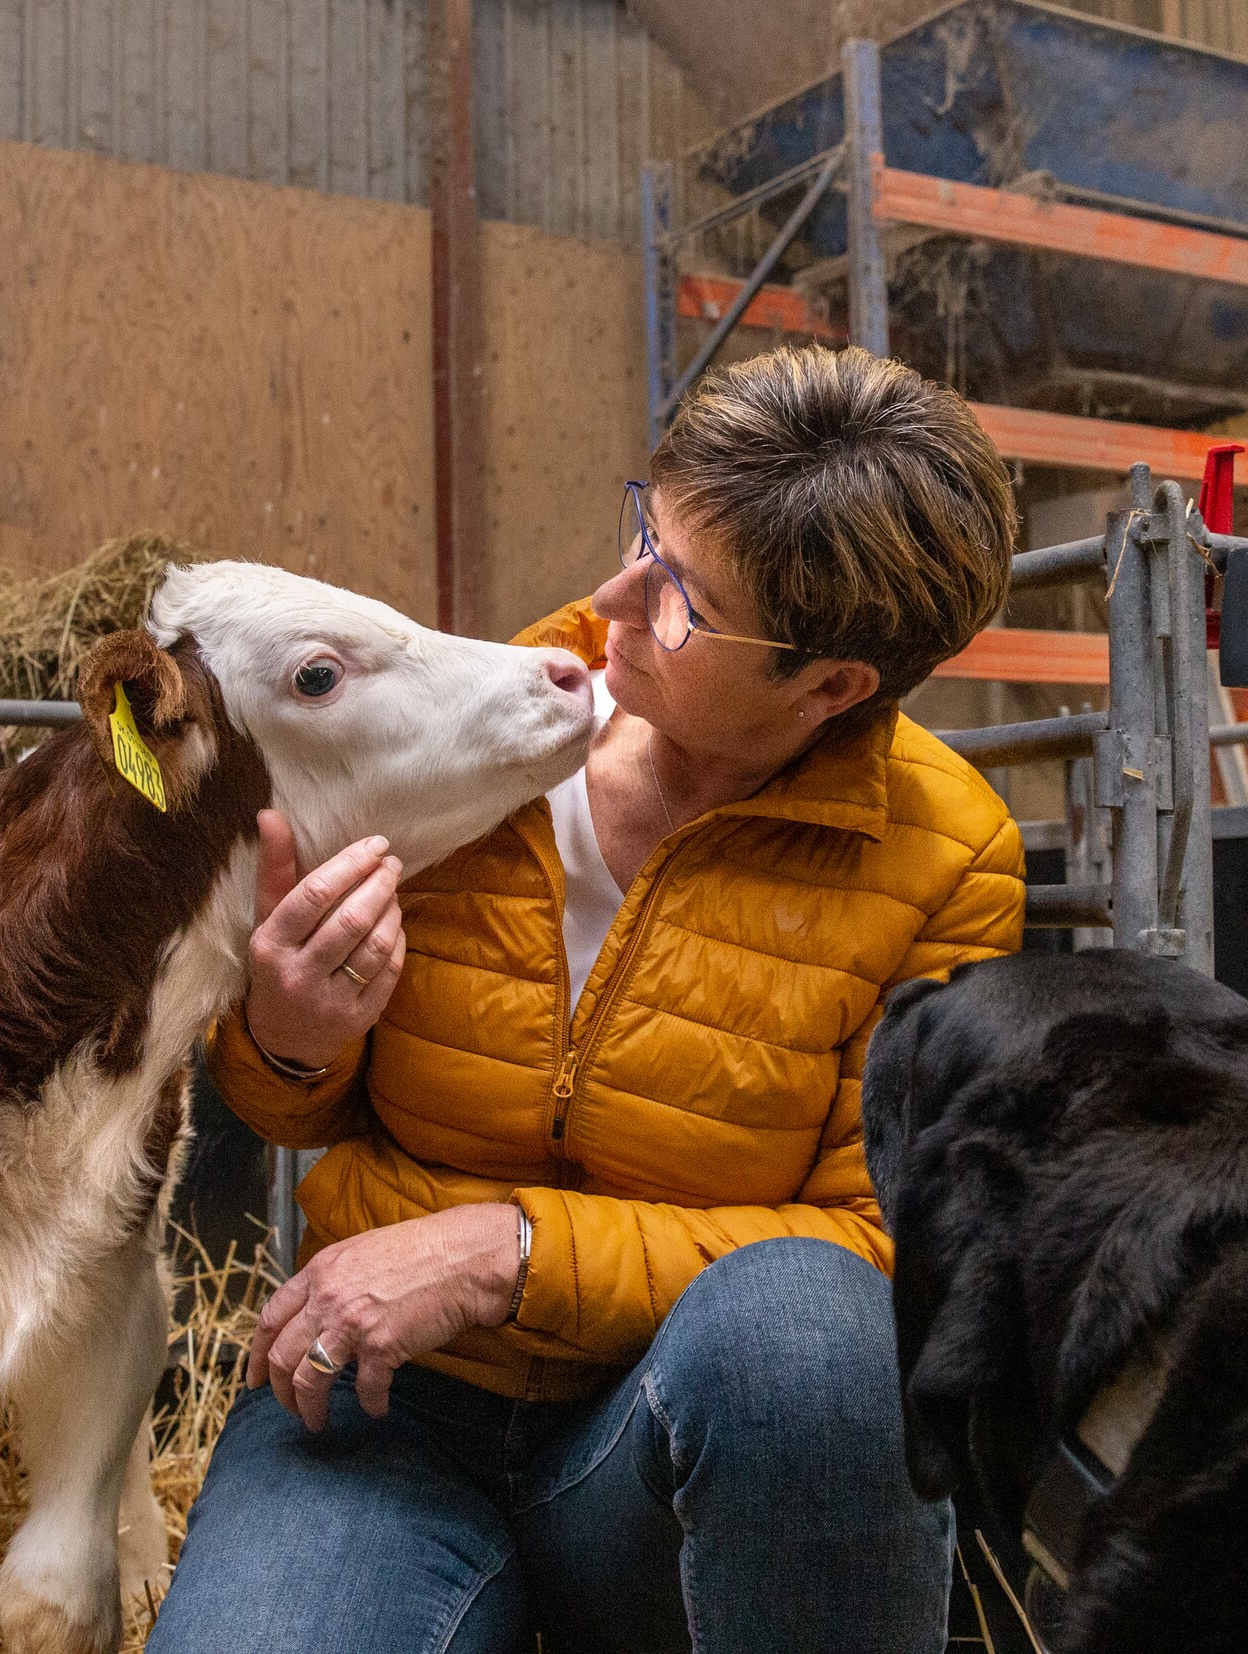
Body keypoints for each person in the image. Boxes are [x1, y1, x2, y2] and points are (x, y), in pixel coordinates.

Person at [147, 345, 1024, 1654]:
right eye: (644, 533)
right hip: (388, 1404)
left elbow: (880, 1245)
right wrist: (288, 1036)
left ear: (831, 686)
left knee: (818, 1330)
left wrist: (504, 1255)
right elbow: (289, 1113)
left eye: (683, 600)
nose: (614, 594)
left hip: (671, 1438)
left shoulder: (946, 855)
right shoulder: (464, 727)